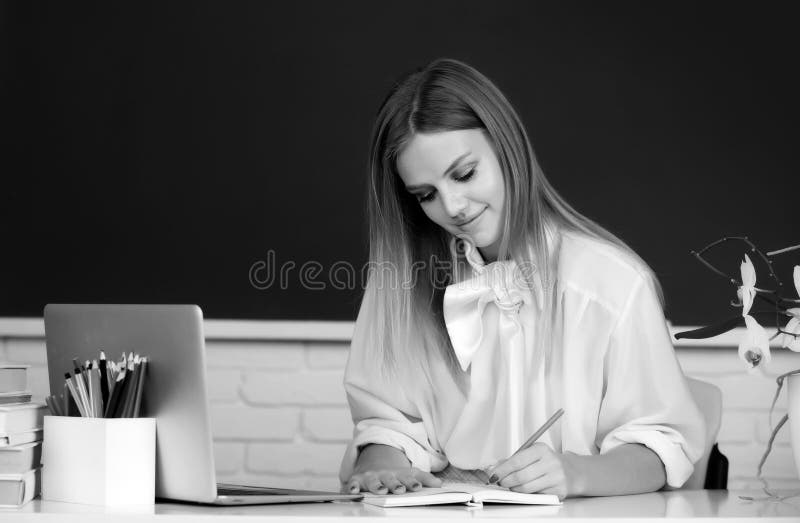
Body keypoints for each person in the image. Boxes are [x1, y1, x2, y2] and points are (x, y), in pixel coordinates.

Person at [339, 58, 706, 500]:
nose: (452, 207)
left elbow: (659, 448)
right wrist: (383, 464)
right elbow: (386, 423)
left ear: (506, 147)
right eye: (426, 195)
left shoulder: (612, 284)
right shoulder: (399, 285)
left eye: (465, 173)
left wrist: (576, 473)